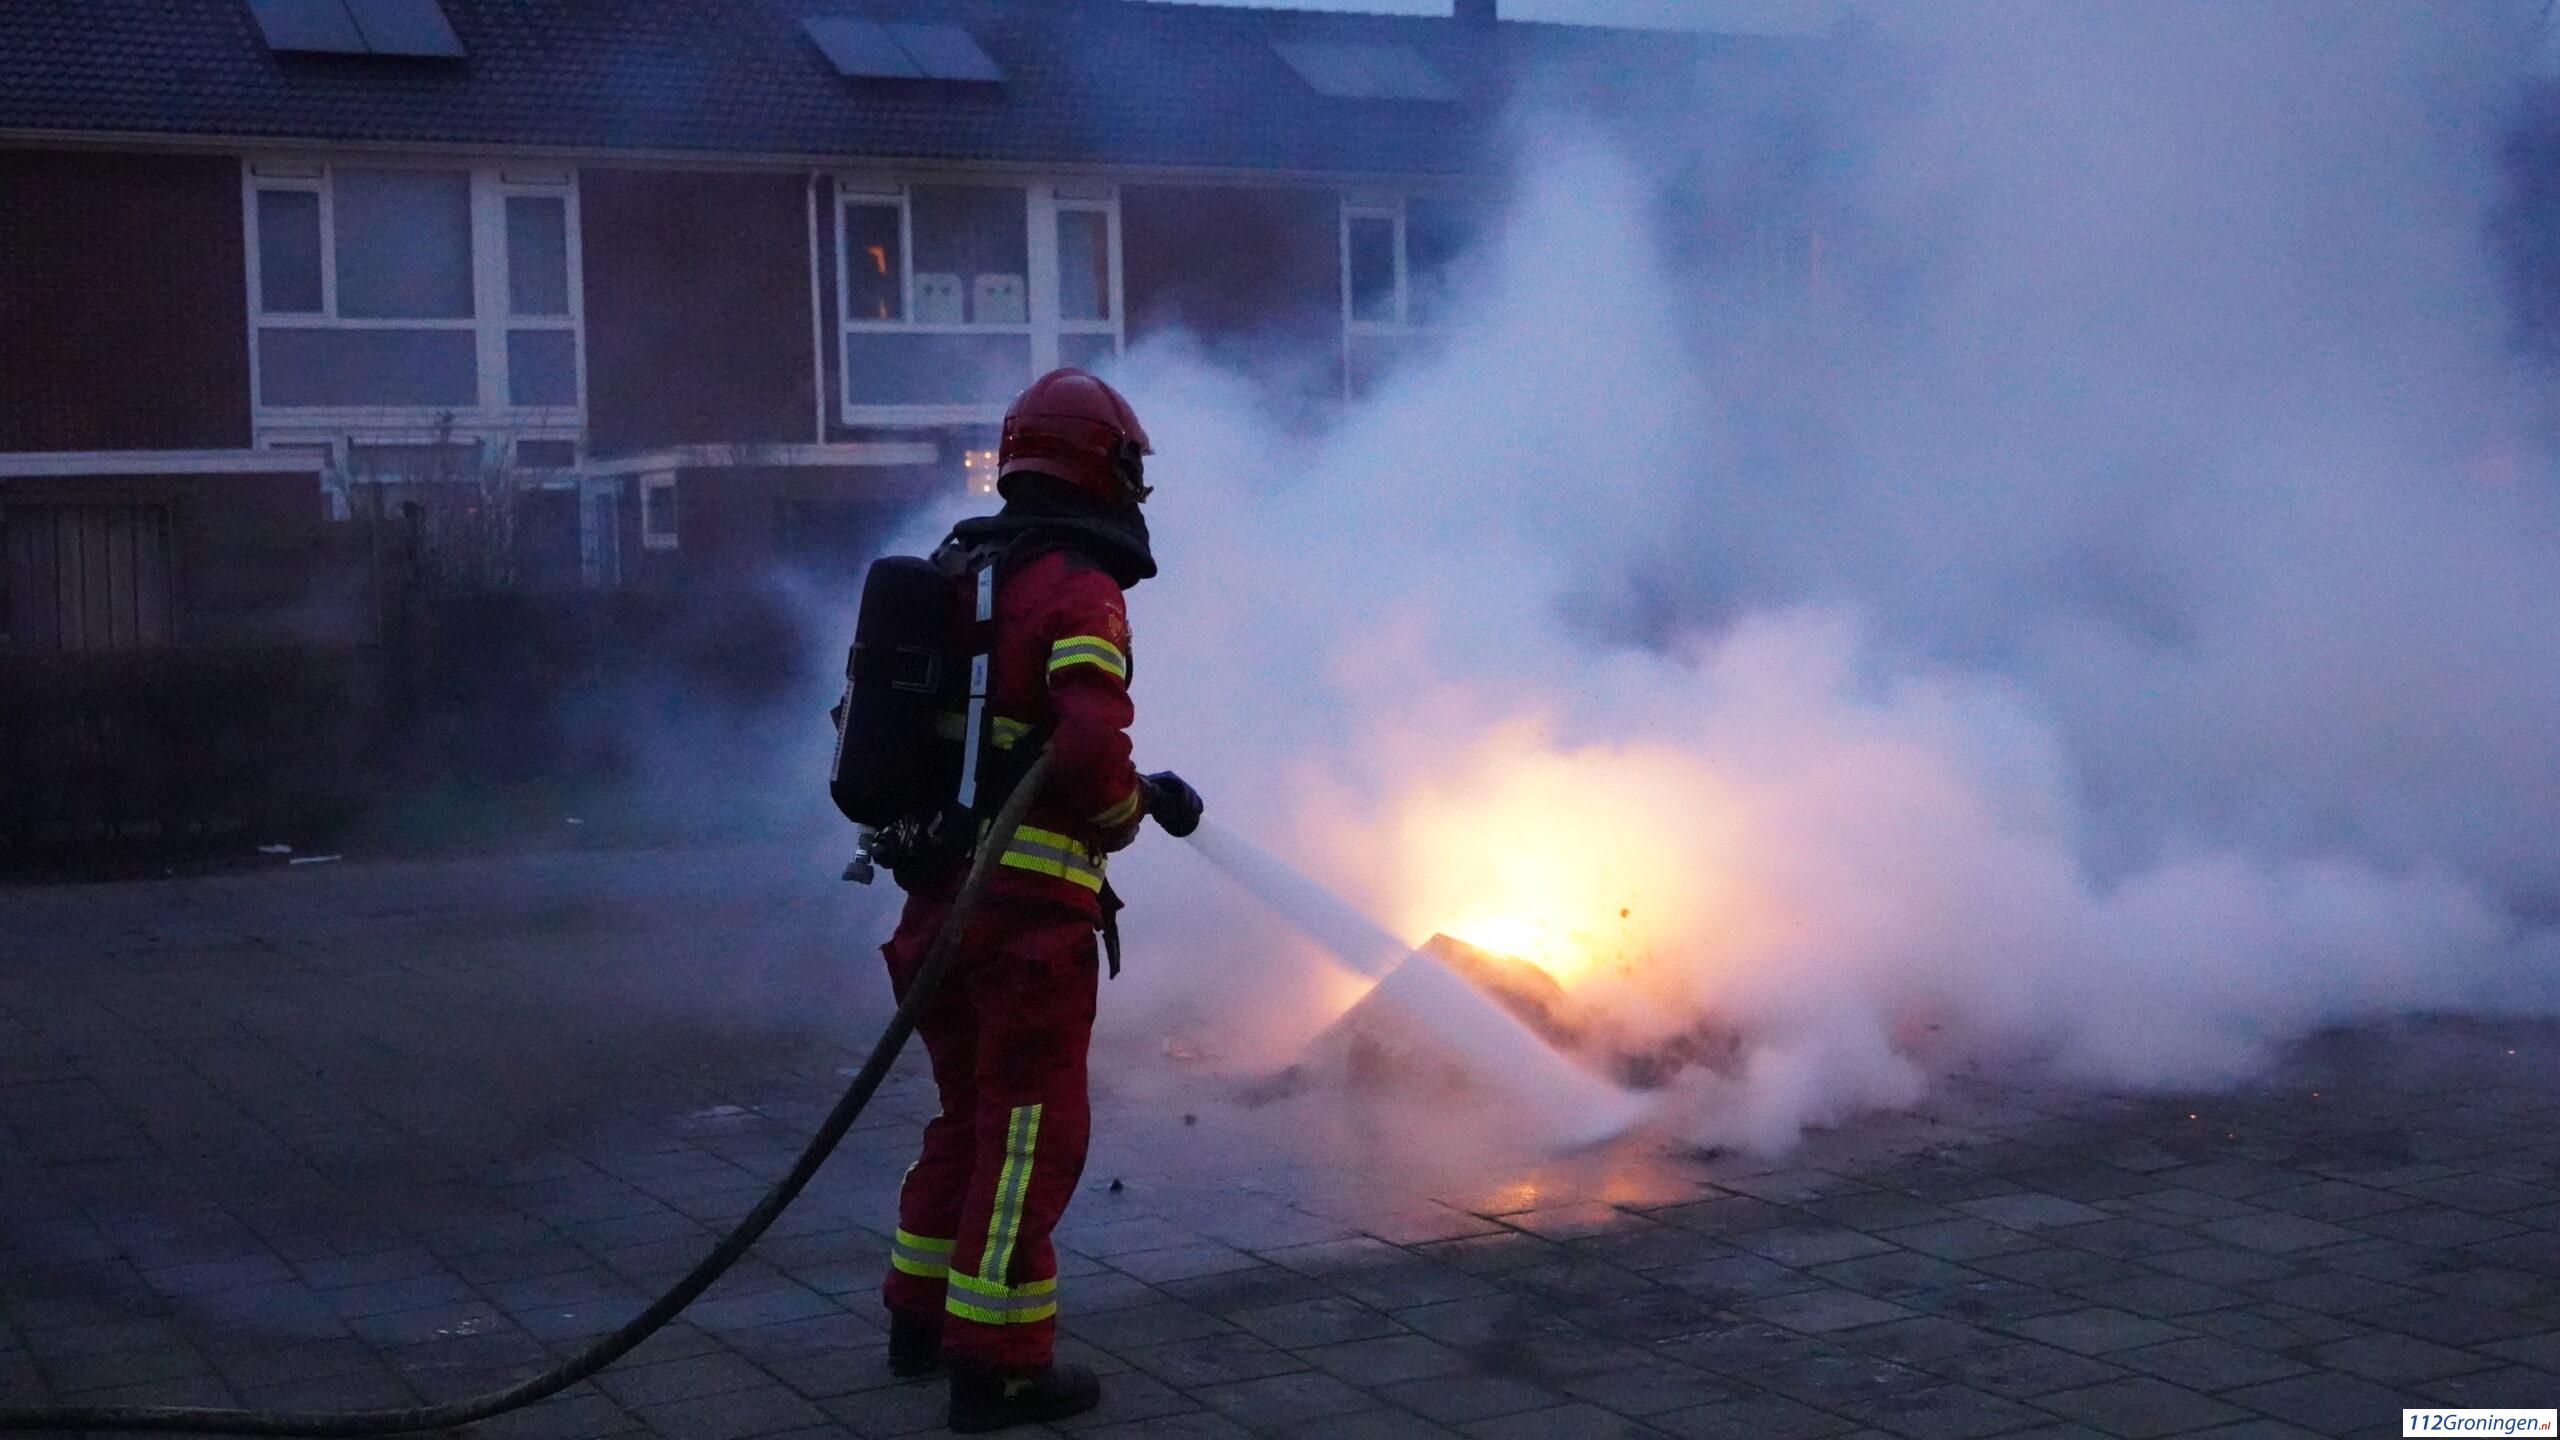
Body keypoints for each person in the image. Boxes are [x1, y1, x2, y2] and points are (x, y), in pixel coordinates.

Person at [875, 367, 1204, 1434]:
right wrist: (1121, 815)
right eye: (1129, 468)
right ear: (1098, 465)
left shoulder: (964, 568)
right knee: (1030, 1133)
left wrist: (1128, 796)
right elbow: (1083, 740)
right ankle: (1003, 1363)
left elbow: (1001, 734)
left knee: (967, 1117)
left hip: (939, 912)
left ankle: (917, 1325)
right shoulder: (1076, 585)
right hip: (1023, 926)